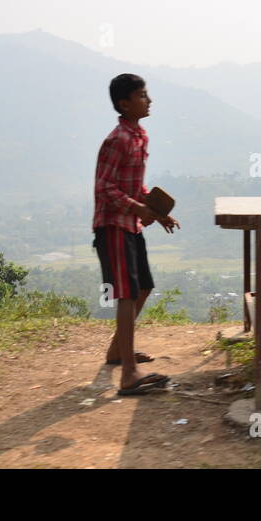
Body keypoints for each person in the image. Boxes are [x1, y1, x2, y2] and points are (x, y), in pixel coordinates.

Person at [93, 73, 180, 394]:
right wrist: (138, 208)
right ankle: (129, 374)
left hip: (130, 224)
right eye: (142, 95)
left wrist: (157, 212)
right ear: (124, 103)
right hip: (113, 226)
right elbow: (104, 187)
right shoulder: (117, 140)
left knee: (142, 287)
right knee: (127, 293)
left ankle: (118, 351)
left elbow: (134, 186)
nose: (149, 100)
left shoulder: (139, 136)